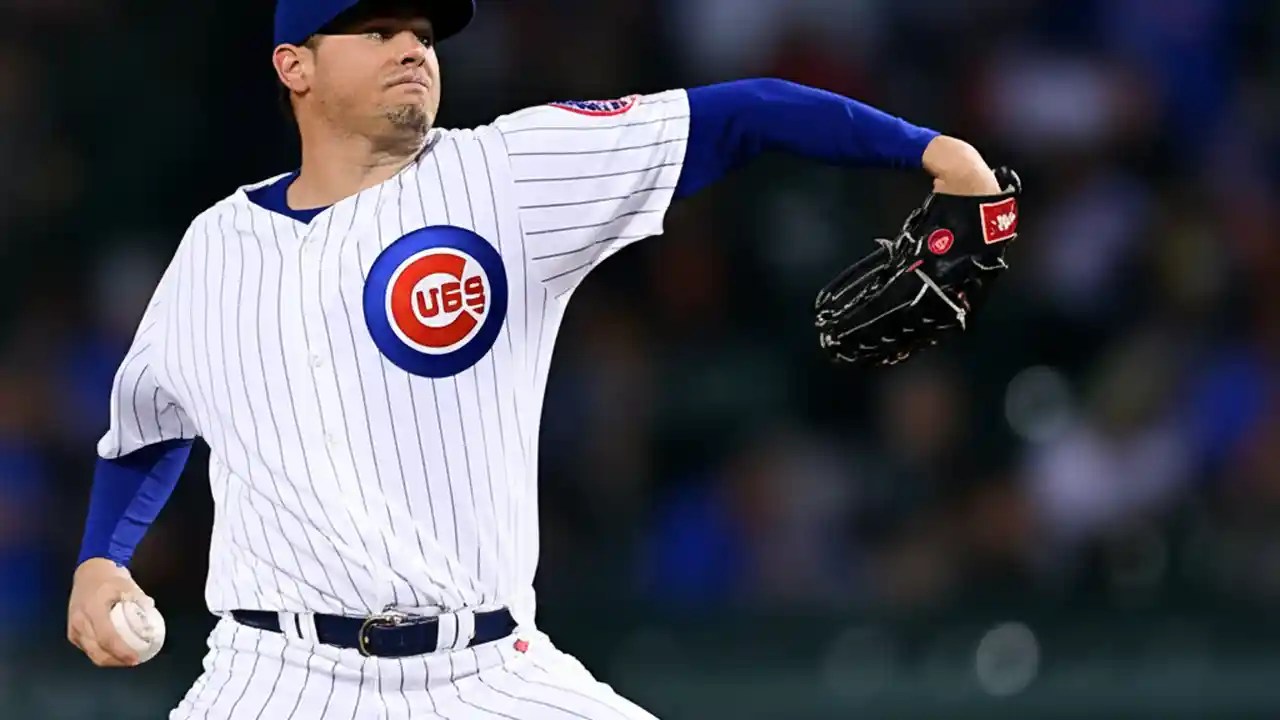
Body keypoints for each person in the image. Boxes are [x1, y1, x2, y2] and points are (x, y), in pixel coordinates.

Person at [66, 0, 1001, 717]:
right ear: (295, 66)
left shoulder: (504, 176)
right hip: (276, 674)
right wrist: (102, 561)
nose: (413, 49)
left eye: (423, 33)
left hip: (487, 671)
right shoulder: (216, 245)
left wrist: (932, 152)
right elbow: (148, 426)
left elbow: (739, 115)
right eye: (379, 29)